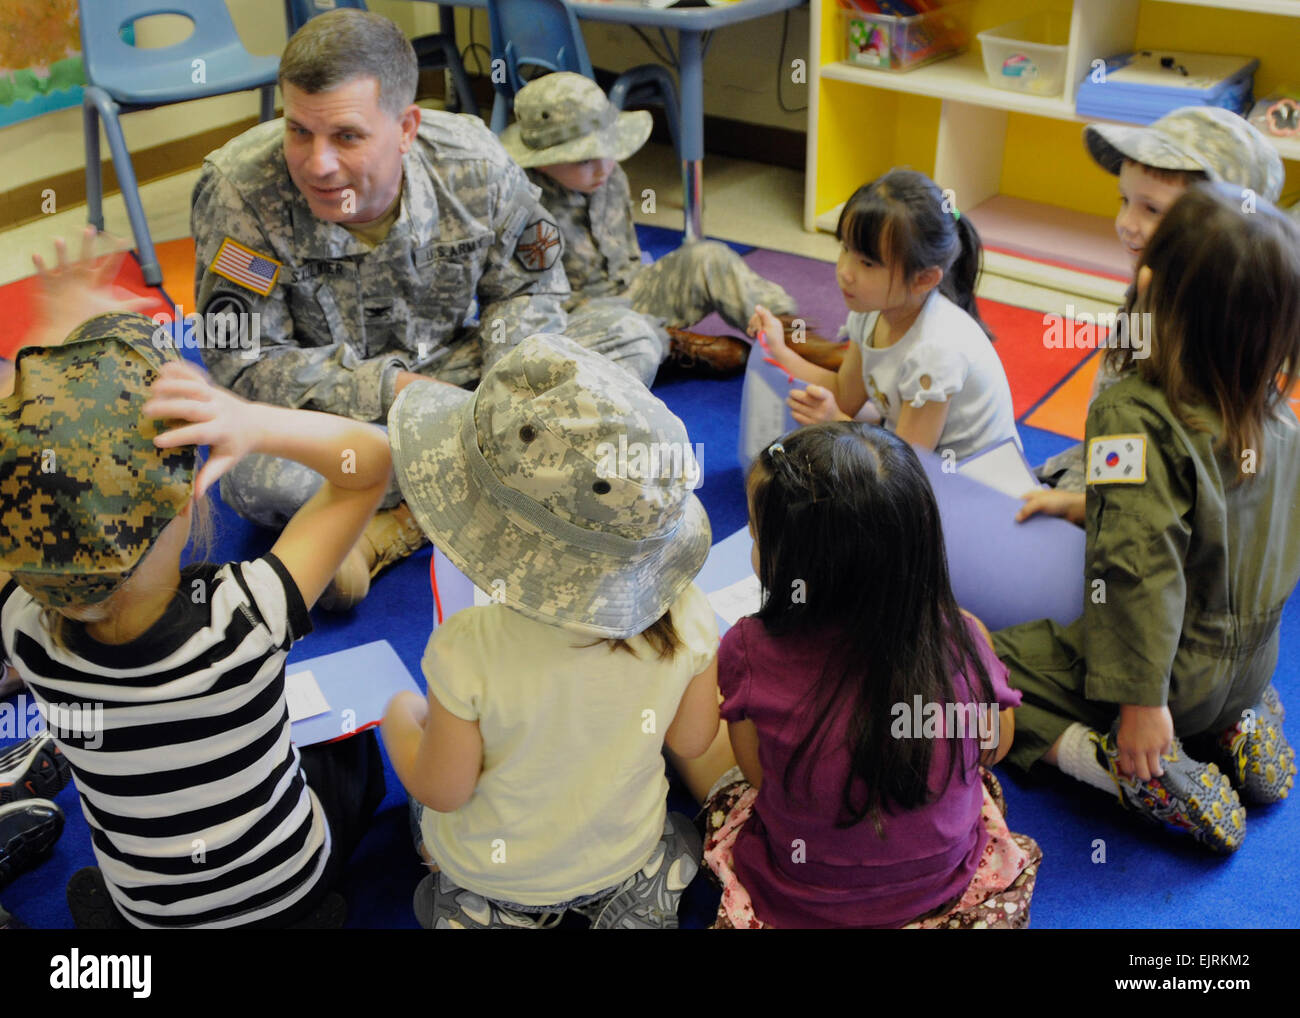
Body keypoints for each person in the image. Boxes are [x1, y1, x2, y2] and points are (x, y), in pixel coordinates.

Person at [190, 10, 651, 610]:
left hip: (467, 378)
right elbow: (244, 365)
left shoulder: (476, 162)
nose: (317, 163)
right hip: (348, 417)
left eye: (347, 136)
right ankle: (516, 489)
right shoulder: (238, 189)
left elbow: (529, 288)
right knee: (258, 478)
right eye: (298, 130)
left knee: (629, 338)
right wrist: (394, 392)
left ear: (406, 126)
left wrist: (513, 392)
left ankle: (394, 526)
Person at [0, 307, 391, 928]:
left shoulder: (20, 628)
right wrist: (249, 418)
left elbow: (33, 483)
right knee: (353, 751)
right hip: (291, 887)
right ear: (186, 500)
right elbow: (368, 462)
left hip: (148, 914)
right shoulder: (251, 611)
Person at [993, 183, 1300, 853]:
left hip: (1170, 683)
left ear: (1151, 281)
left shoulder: (1132, 414)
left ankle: (1124, 768)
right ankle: (1235, 725)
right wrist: (1086, 502)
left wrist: (1142, 703)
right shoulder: (1277, 419)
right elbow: (1224, 527)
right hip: (1252, 663)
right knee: (1216, 683)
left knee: (978, 667)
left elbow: (1138, 567)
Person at [381, 333, 720, 929]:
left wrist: (397, 719)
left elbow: (444, 791)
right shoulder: (688, 615)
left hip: (498, 875)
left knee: (422, 801)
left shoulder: (468, 648)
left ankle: (496, 909)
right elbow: (693, 742)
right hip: (626, 856)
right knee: (670, 833)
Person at [671, 423, 1039, 928]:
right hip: (945, 889)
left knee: (691, 720)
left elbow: (761, 777)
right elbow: (994, 748)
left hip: (801, 900)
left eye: (757, 537)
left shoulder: (748, 649)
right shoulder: (966, 636)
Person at [500, 73, 843, 378]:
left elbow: (630, 262)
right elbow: (532, 312)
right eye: (586, 159)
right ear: (543, 164)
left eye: (610, 150)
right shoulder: (523, 209)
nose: (604, 168)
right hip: (578, 320)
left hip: (632, 288)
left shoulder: (609, 176)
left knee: (708, 257)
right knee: (608, 337)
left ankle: (791, 341)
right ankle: (672, 345)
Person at [1032, 105, 1284, 494]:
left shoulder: (1215, 340)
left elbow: (1168, 486)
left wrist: (1085, 505)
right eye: (1124, 200)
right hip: (1107, 470)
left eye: (1152, 209)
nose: (1126, 223)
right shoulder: (1152, 289)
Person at [749, 169, 1018, 461]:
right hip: (918, 456)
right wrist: (777, 348)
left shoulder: (935, 350)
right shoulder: (872, 314)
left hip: (973, 487)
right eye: (846, 248)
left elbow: (906, 469)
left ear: (924, 280)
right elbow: (843, 394)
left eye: (867, 263)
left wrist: (835, 421)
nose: (845, 272)